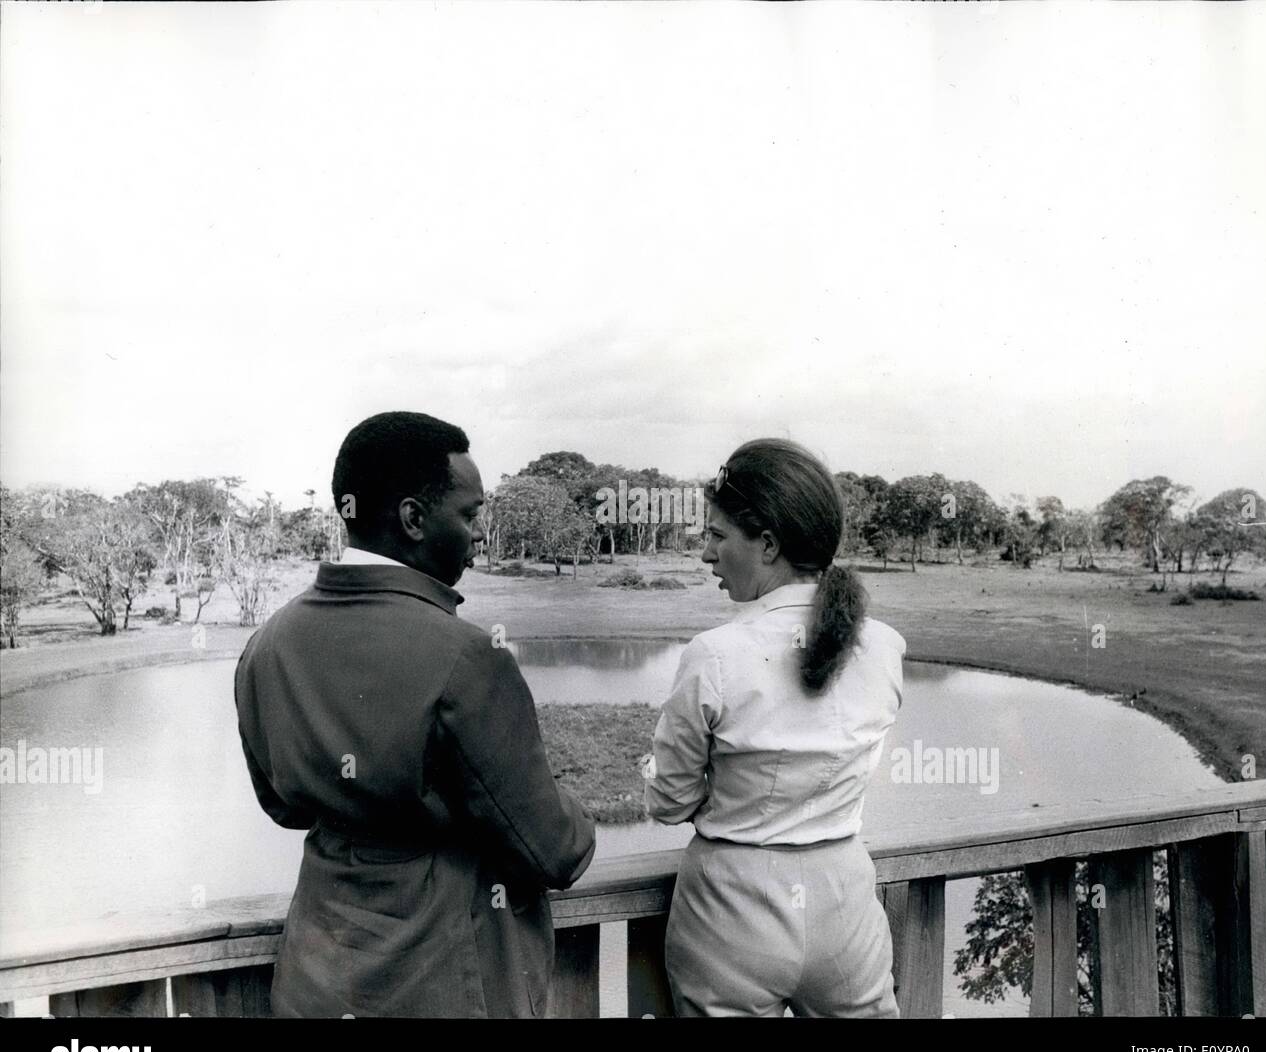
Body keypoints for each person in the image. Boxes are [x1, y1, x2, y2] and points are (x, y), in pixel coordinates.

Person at [235, 411, 596, 1017]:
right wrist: (570, 811)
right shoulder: (468, 656)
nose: (480, 535)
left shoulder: (268, 642)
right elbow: (554, 851)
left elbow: (284, 806)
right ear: (413, 518)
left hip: (315, 977)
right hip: (446, 984)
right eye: (470, 515)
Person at [644, 438, 905, 1017]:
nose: (707, 554)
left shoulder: (714, 654)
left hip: (731, 906)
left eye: (717, 536)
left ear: (767, 544)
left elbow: (668, 801)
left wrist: (732, 798)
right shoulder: (885, 647)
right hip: (846, 904)